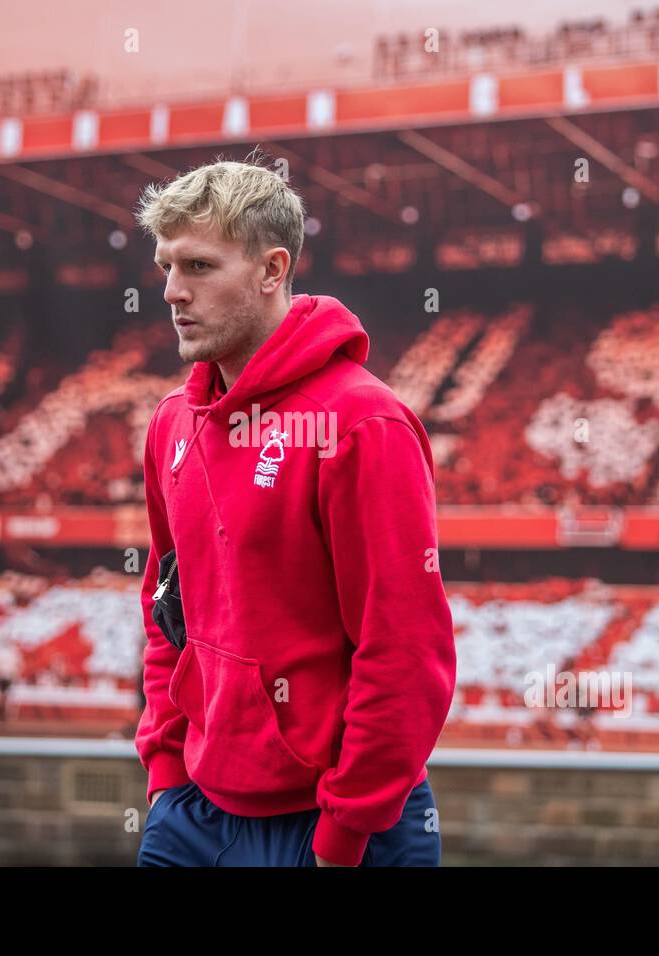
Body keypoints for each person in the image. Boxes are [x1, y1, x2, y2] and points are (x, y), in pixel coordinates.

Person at [133, 151, 456, 867]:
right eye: (166, 267)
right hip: (191, 814)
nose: (172, 292)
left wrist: (344, 835)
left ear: (272, 270)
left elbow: (405, 651)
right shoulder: (170, 424)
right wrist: (165, 775)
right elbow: (165, 612)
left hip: (336, 826)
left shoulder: (363, 424)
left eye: (199, 266)